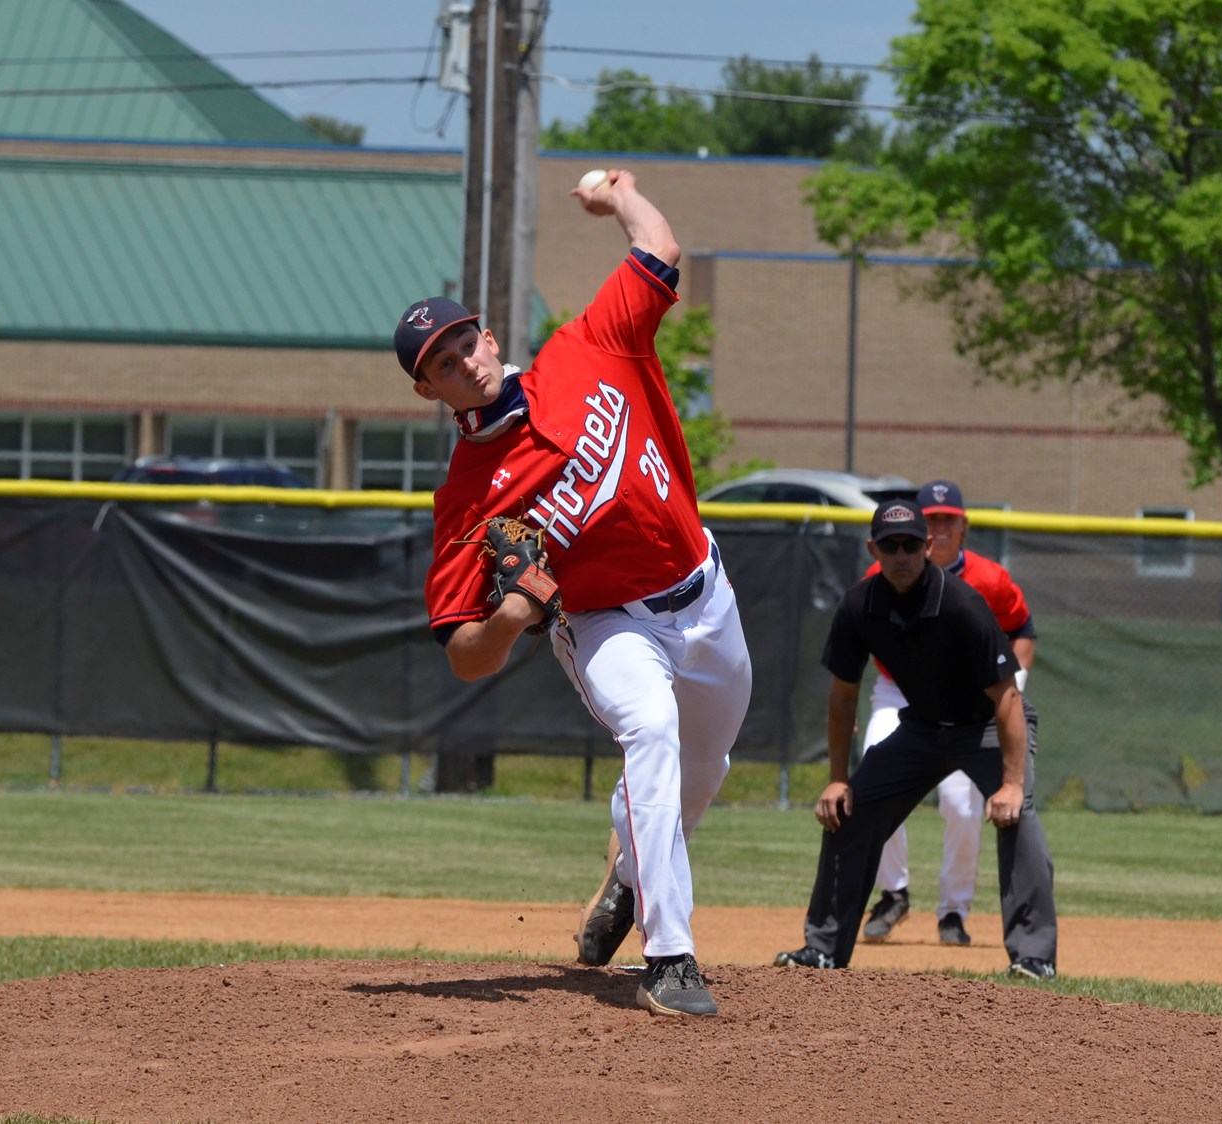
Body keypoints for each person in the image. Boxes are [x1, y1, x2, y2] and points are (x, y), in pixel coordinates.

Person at [393, 169, 752, 1018]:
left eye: (463, 343)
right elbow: (464, 658)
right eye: (439, 364)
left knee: (708, 765)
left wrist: (619, 196)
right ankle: (670, 959)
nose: (461, 363)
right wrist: (514, 613)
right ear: (428, 389)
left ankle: (630, 877)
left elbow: (660, 249)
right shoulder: (468, 498)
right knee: (653, 733)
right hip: (604, 622)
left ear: (488, 336)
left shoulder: (587, 347)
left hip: (704, 589)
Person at [774, 498, 1057, 978]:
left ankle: (1033, 956)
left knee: (1017, 815)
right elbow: (843, 698)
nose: (901, 555)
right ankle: (824, 949)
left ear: (928, 546)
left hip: (987, 724)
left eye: (910, 545)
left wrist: (1010, 784)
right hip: (923, 727)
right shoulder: (860, 605)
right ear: (874, 549)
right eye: (890, 546)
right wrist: (838, 779)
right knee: (850, 809)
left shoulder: (962, 604)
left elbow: (1008, 698)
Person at [858, 479, 1038, 950]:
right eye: (930, 519)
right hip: (897, 694)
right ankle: (893, 892)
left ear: (964, 527)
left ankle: (953, 912)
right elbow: (854, 644)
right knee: (871, 769)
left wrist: (1011, 688)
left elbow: (1022, 628)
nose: (938, 528)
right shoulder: (877, 580)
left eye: (947, 520)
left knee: (962, 805)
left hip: (969, 702)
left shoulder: (991, 578)